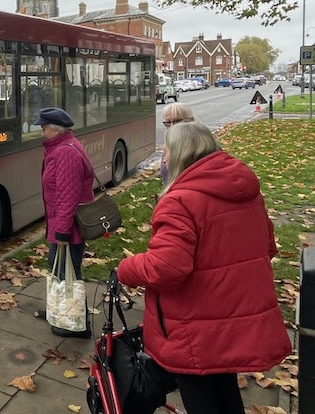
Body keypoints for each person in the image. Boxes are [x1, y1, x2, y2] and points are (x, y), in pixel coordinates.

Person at [117, 121, 292, 414]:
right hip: (233, 320)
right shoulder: (247, 192)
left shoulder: (180, 201)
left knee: (200, 398)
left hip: (194, 327)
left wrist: (126, 268)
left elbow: (164, 268)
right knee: (226, 391)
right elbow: (267, 247)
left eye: (166, 152)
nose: (163, 159)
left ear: (179, 154)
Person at [35, 106, 94, 337]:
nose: (41, 131)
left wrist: (62, 232)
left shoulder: (65, 153)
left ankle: (78, 324)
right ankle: (59, 310)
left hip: (68, 228)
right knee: (59, 268)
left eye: (44, 127)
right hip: (63, 224)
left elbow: (67, 197)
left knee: (68, 272)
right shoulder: (61, 147)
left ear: (55, 129)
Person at [160, 103, 195, 186]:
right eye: (168, 122)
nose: (172, 126)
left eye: (177, 121)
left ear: (190, 121)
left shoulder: (201, 147)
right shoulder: (168, 144)